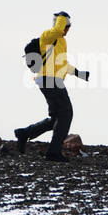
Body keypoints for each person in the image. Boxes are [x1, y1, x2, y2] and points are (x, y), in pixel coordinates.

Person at [14, 11, 90, 162]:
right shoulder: (48, 36)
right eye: (66, 26)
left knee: (56, 118)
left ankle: (24, 133)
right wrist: (61, 18)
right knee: (66, 114)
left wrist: (78, 73)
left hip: (52, 80)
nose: (68, 29)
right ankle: (53, 152)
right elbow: (56, 30)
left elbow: (62, 64)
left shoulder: (61, 42)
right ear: (61, 24)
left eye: (69, 26)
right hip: (49, 80)